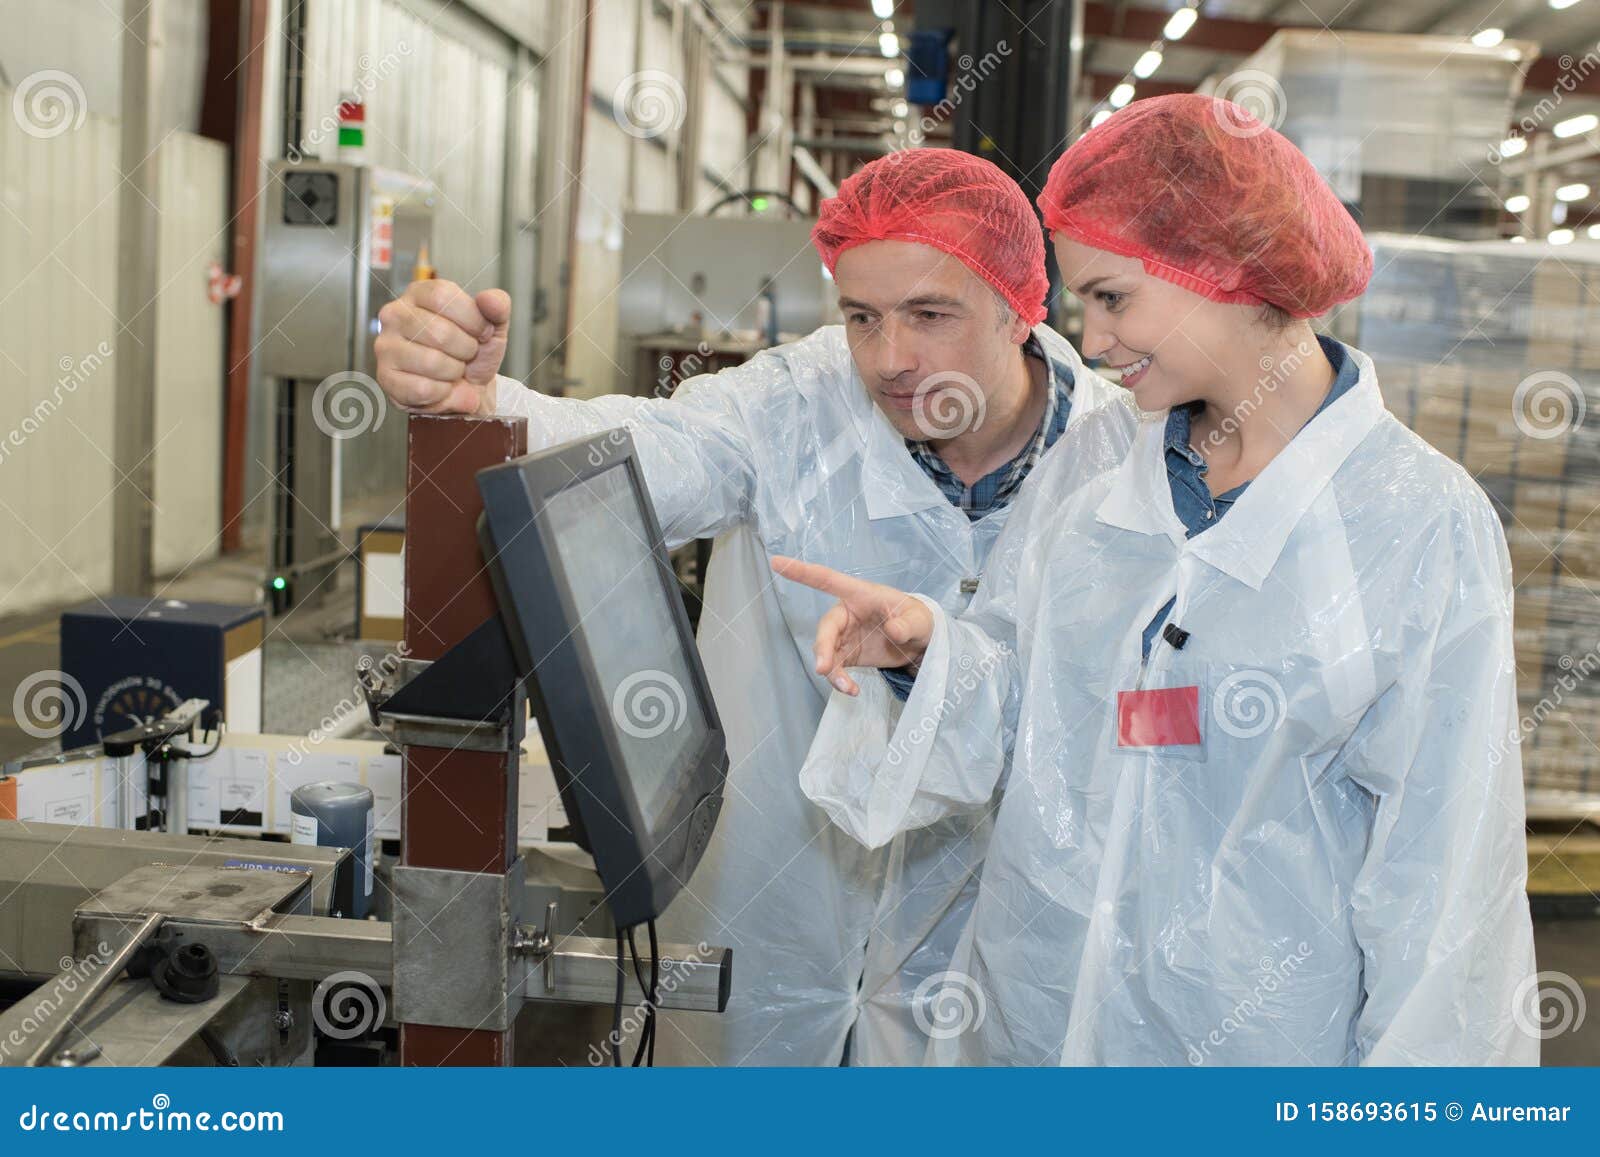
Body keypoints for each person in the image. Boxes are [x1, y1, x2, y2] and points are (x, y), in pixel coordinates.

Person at [777, 93, 1538, 1065]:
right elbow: (1021, 687)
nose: (1090, 342)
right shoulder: (1102, 454)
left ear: (1220, 267)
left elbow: (1446, 903)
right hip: (1030, 1023)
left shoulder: (1415, 523)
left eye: (1111, 297)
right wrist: (931, 650)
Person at [372, 148, 1134, 1065]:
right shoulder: (796, 403)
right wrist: (485, 404)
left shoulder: (1120, 460)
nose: (890, 359)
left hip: (994, 950)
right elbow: (646, 451)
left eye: (931, 314)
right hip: (774, 917)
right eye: (862, 316)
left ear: (1022, 306)